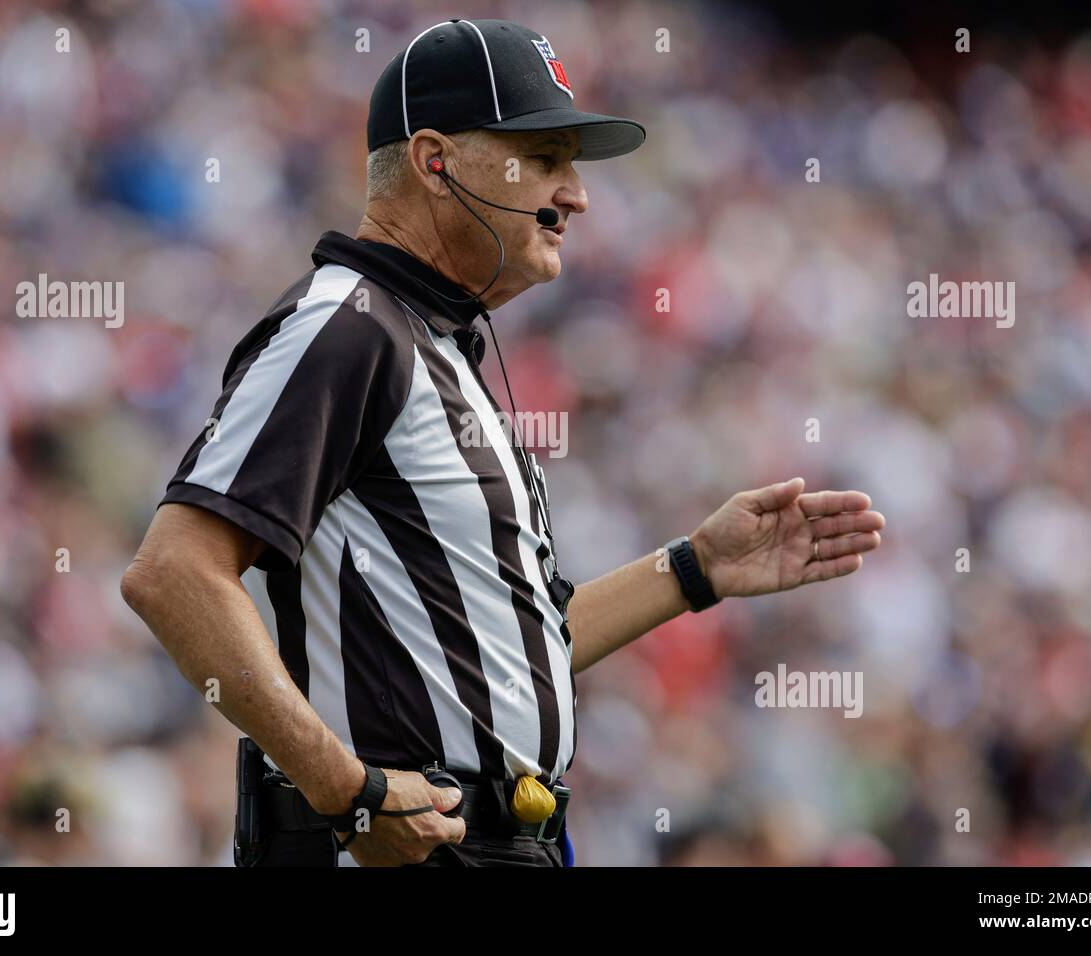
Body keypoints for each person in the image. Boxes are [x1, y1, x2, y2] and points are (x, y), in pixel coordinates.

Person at [120, 17, 885, 867]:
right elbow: (174, 571)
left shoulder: (429, 344)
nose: (578, 195)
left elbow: (505, 661)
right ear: (435, 160)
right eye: (546, 158)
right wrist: (349, 790)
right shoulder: (349, 326)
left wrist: (693, 569)